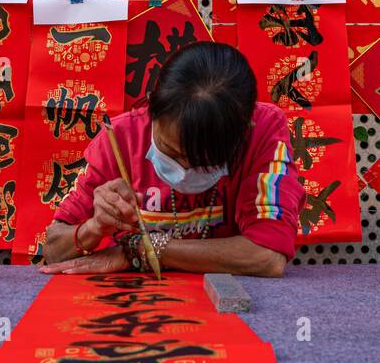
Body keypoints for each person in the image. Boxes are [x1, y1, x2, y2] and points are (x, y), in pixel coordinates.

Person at [40, 41, 303, 277]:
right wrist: (94, 227)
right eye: (170, 151)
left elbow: (267, 256)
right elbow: (53, 251)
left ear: (244, 131)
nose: (184, 169)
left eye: (204, 161)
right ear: (152, 108)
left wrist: (142, 250)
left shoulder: (263, 129)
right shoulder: (120, 138)